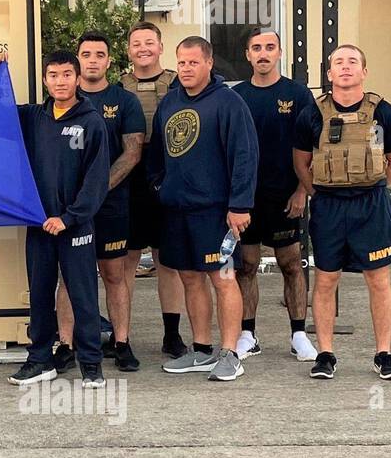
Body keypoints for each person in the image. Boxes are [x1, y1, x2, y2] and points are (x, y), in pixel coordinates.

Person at [0, 51, 110, 388]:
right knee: (40, 295)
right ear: (45, 80)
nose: (60, 81)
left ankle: (90, 364)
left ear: (77, 79)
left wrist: (70, 218)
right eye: (53, 75)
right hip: (39, 225)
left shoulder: (91, 121)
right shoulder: (34, 117)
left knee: (83, 295)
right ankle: (39, 360)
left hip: (75, 227)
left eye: (66, 75)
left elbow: (96, 179)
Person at [293, 44, 391, 380]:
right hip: (328, 206)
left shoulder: (382, 111)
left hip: (371, 206)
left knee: (378, 279)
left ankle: (383, 353)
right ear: (329, 74)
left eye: (352, 62)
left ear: (364, 71)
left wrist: (373, 185)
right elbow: (301, 161)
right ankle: (325, 353)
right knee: (326, 279)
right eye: (338, 63)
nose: (345, 67)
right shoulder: (312, 113)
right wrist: (318, 192)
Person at [151, 37, 258, 382]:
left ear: (209, 63)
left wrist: (240, 205)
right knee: (189, 278)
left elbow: (245, 156)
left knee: (223, 279)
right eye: (181, 62)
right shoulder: (169, 103)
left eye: (193, 62)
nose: (185, 69)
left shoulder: (229, 102)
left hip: (216, 213)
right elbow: (157, 154)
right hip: (177, 210)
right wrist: (161, 187)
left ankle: (231, 353)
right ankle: (201, 350)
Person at [55, 31, 147, 372]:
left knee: (113, 274)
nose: (92, 60)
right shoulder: (61, 102)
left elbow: (132, 152)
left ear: (109, 60)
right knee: (70, 277)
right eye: (86, 54)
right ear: (77, 61)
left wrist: (95, 190)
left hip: (110, 205)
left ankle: (121, 342)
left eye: (99, 54)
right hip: (69, 210)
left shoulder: (125, 102)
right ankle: (65, 344)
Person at [232, 30, 320, 362]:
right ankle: (247, 335)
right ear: (248, 55)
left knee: (291, 265)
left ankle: (299, 334)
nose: (263, 53)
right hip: (247, 199)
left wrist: (302, 190)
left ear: (280, 52)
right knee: (247, 267)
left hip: (287, 196)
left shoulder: (298, 95)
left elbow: (313, 147)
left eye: (270, 47)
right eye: (257, 48)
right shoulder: (237, 96)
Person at [119, 21, 188, 358]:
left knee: (168, 261)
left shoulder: (178, 83)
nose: (143, 48)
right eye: (136, 43)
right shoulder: (118, 87)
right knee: (125, 262)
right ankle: (123, 337)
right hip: (128, 179)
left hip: (167, 175)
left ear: (161, 47)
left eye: (150, 42)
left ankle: (172, 335)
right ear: (128, 50)